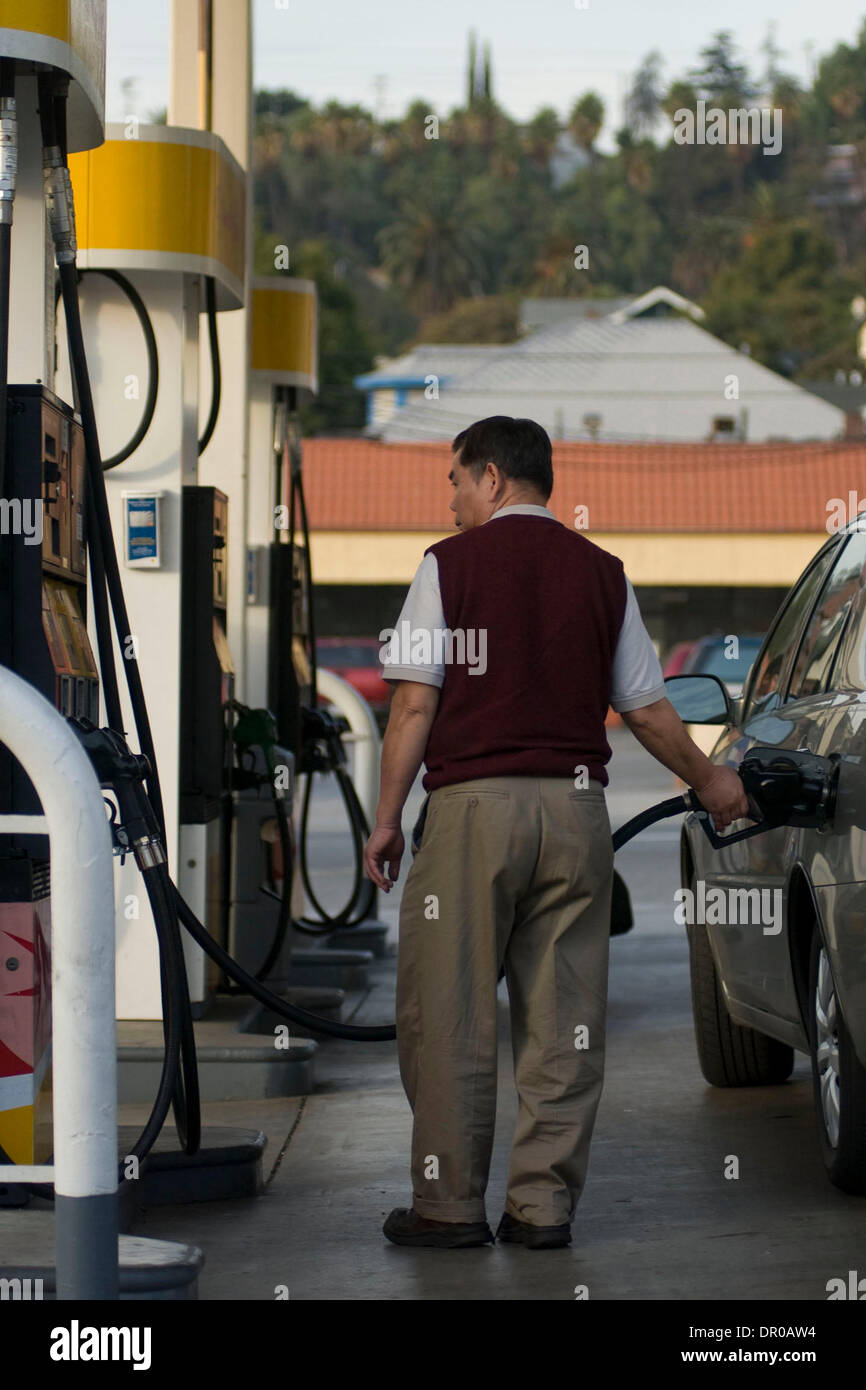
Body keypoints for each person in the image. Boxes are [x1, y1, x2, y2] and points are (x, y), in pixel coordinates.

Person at [363, 415, 748, 1250]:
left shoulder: (447, 566)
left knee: (450, 1015)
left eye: (459, 483)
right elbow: (646, 711)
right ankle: (541, 1211)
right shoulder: (603, 572)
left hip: (471, 814)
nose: (455, 501)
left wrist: (388, 821)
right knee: (565, 1018)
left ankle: (448, 1209)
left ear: (493, 478)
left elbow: (416, 703)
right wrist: (714, 781)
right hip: (577, 818)